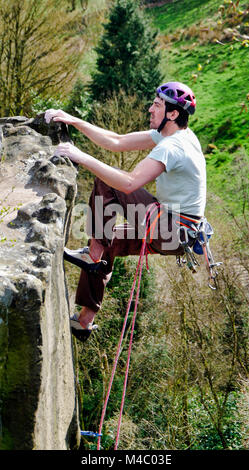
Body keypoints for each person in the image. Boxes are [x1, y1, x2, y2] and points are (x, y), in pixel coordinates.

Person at [45, 81, 206, 341]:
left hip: (172, 229)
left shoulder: (172, 146)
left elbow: (130, 183)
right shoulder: (175, 136)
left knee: (107, 181)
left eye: (157, 105)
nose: (150, 109)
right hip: (176, 235)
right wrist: (76, 122)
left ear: (173, 114)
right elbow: (117, 141)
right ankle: (85, 320)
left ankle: (92, 256)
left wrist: (81, 157)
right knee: (111, 240)